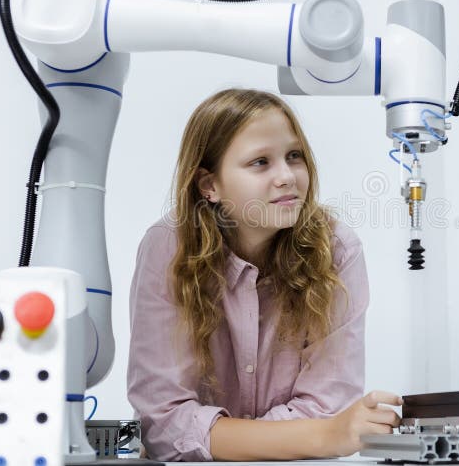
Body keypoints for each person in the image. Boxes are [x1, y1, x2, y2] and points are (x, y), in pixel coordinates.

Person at [127, 88, 401, 461]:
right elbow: (163, 423)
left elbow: (326, 408)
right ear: (209, 185)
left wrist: (323, 431)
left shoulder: (337, 250)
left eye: (294, 156)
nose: (287, 176)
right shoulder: (169, 248)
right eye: (260, 162)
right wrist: (323, 435)